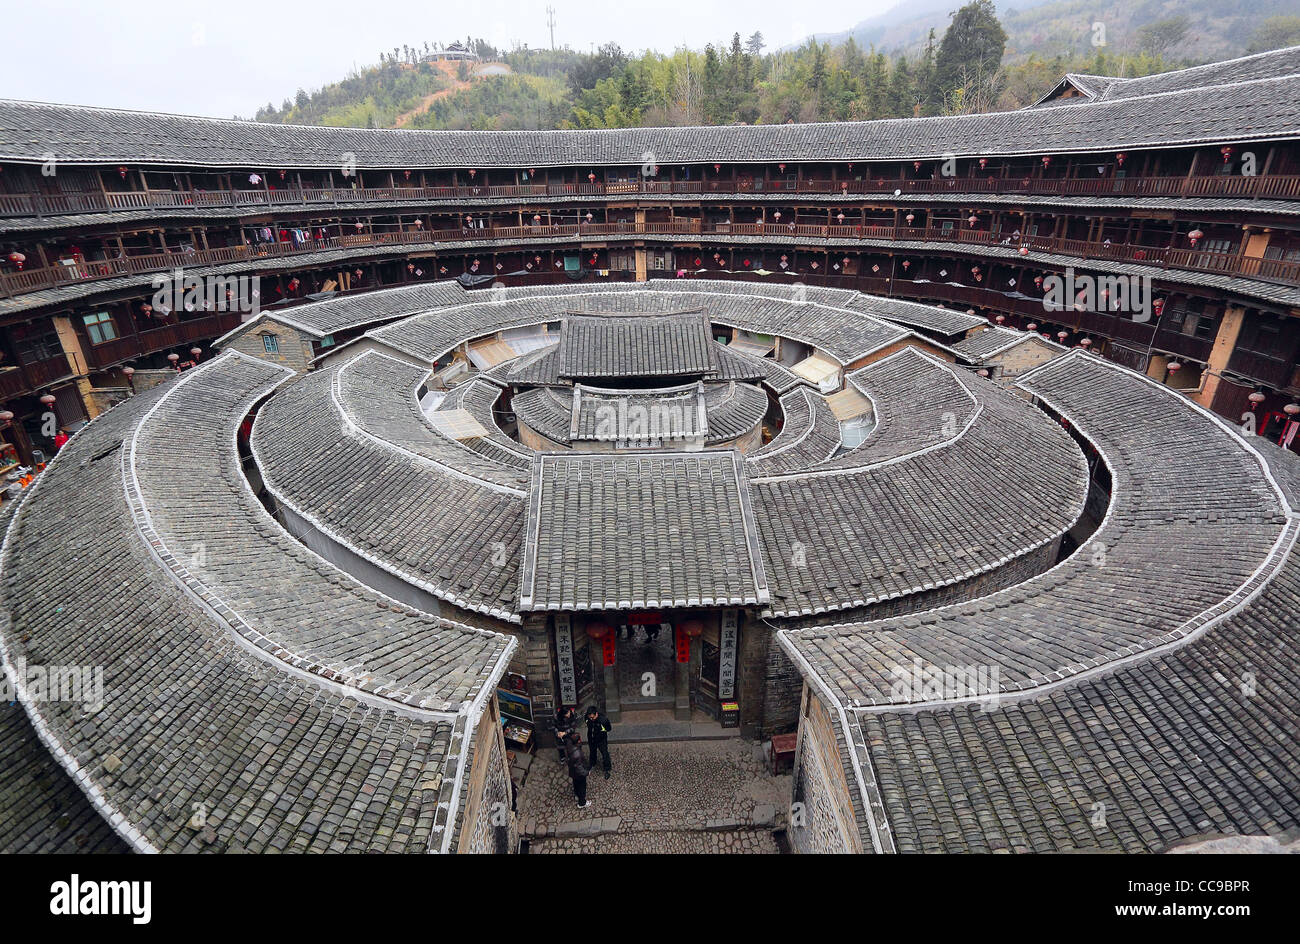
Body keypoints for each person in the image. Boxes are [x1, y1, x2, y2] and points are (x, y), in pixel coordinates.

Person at [560, 729, 590, 808]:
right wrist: (586, 772)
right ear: (579, 741)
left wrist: (565, 733)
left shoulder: (569, 745)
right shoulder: (577, 754)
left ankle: (577, 795)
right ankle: (582, 803)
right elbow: (579, 768)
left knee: (576, 784)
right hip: (578, 774)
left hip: (572, 771)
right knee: (582, 787)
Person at [585, 705, 613, 779]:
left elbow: (609, 728)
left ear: (596, 714)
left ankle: (607, 769)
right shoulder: (587, 718)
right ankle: (592, 763)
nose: (591, 719)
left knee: (604, 753)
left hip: (601, 739)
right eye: (590, 717)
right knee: (592, 752)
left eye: (592, 717)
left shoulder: (603, 720)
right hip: (591, 738)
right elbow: (587, 723)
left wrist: (601, 732)